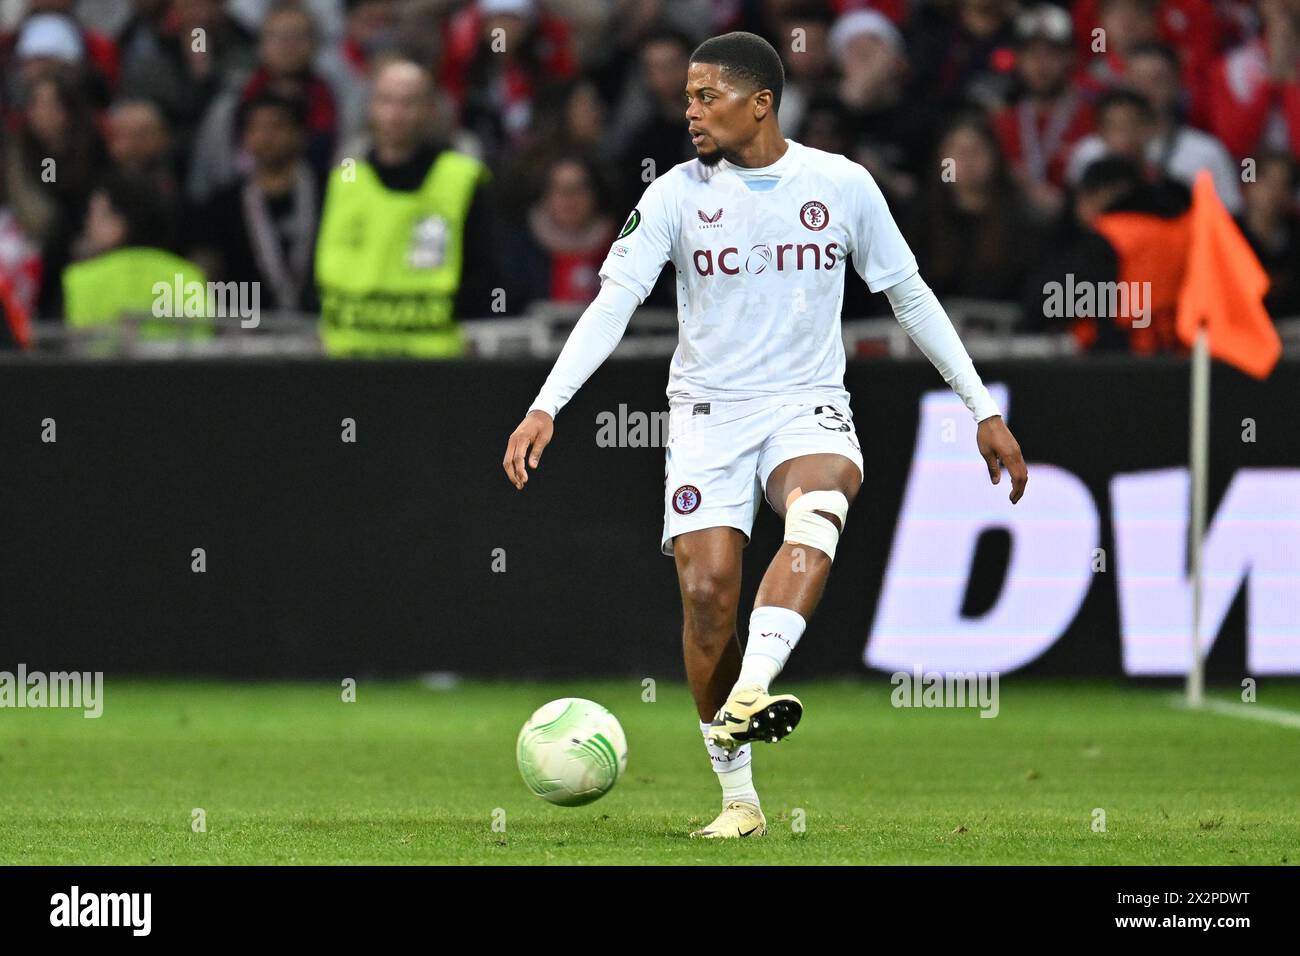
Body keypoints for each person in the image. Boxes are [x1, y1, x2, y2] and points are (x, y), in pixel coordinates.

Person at [502, 32, 1027, 839]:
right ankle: (739, 799)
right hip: (708, 413)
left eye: (705, 97)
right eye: (685, 98)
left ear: (761, 103)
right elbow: (612, 303)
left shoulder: (842, 185)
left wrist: (981, 407)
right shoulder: (676, 195)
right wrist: (548, 404)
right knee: (710, 597)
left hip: (805, 400)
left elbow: (910, 296)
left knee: (821, 502)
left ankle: (754, 686)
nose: (690, 113)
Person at [313, 57, 497, 357]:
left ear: (429, 110)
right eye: (386, 101)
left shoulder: (462, 178)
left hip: (432, 362)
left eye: (409, 103)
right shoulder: (343, 180)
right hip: (348, 361)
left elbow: (486, 275)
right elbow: (315, 274)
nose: (396, 114)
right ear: (371, 107)